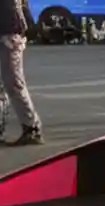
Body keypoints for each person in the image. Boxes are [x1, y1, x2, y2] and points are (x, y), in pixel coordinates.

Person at [1, 0, 41, 145]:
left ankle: (31, 127)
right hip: (10, 30)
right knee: (9, 83)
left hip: (9, 33)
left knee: (13, 82)